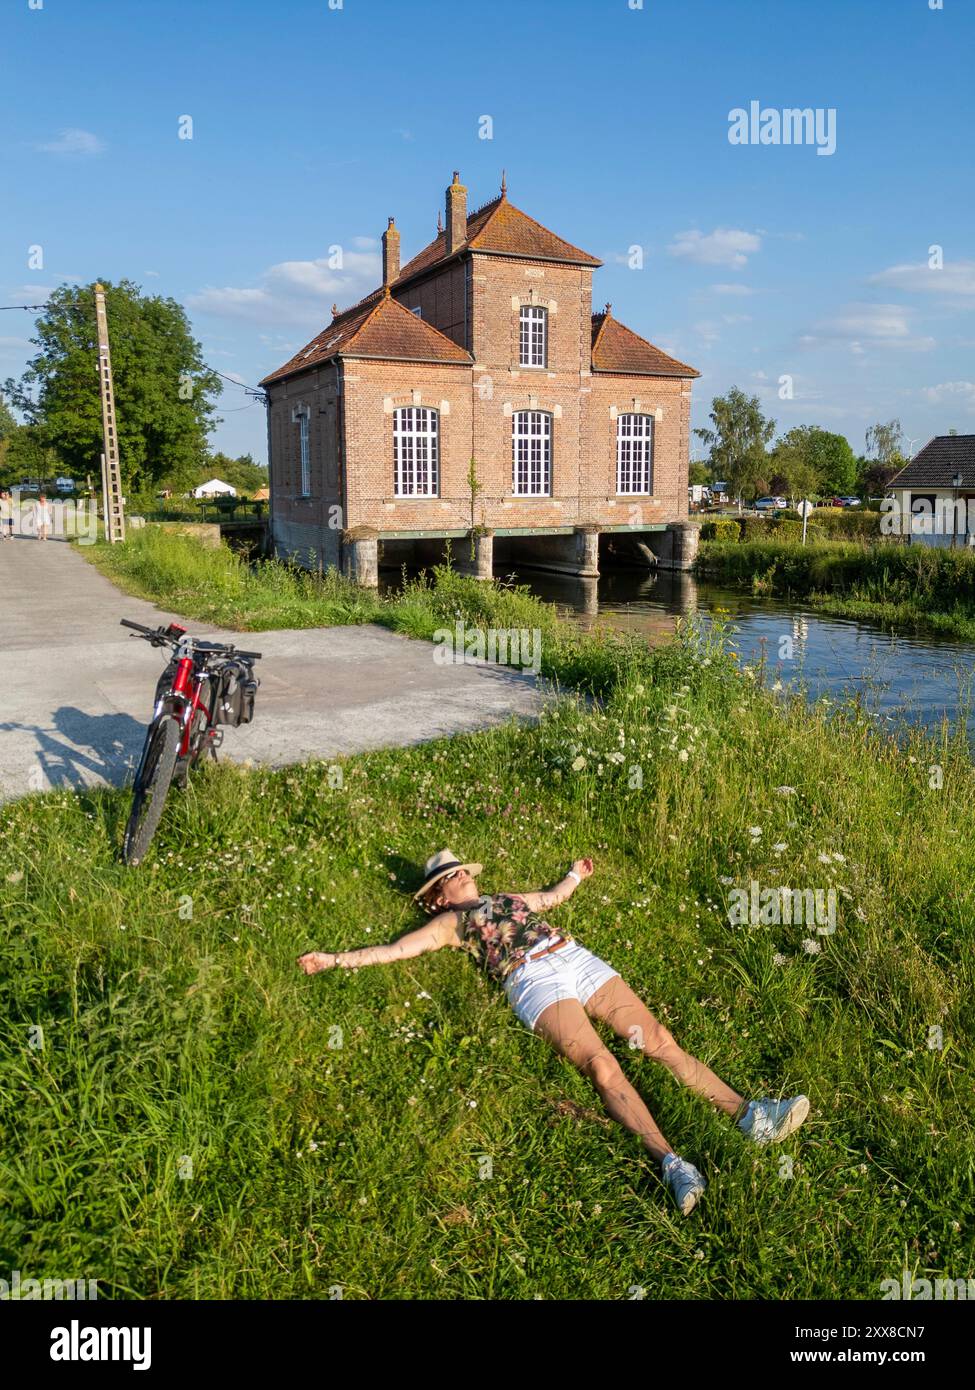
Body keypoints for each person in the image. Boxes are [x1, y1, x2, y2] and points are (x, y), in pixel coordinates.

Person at [297, 849, 810, 1215]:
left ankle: (751, 1117)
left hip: (573, 958)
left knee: (657, 1040)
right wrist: (334, 959)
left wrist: (575, 875)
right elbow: (393, 951)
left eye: (462, 871)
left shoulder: (506, 896)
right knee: (602, 1066)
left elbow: (549, 898)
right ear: (437, 896)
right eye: (451, 878)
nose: (462, 878)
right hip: (531, 980)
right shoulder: (448, 927)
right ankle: (674, 1164)